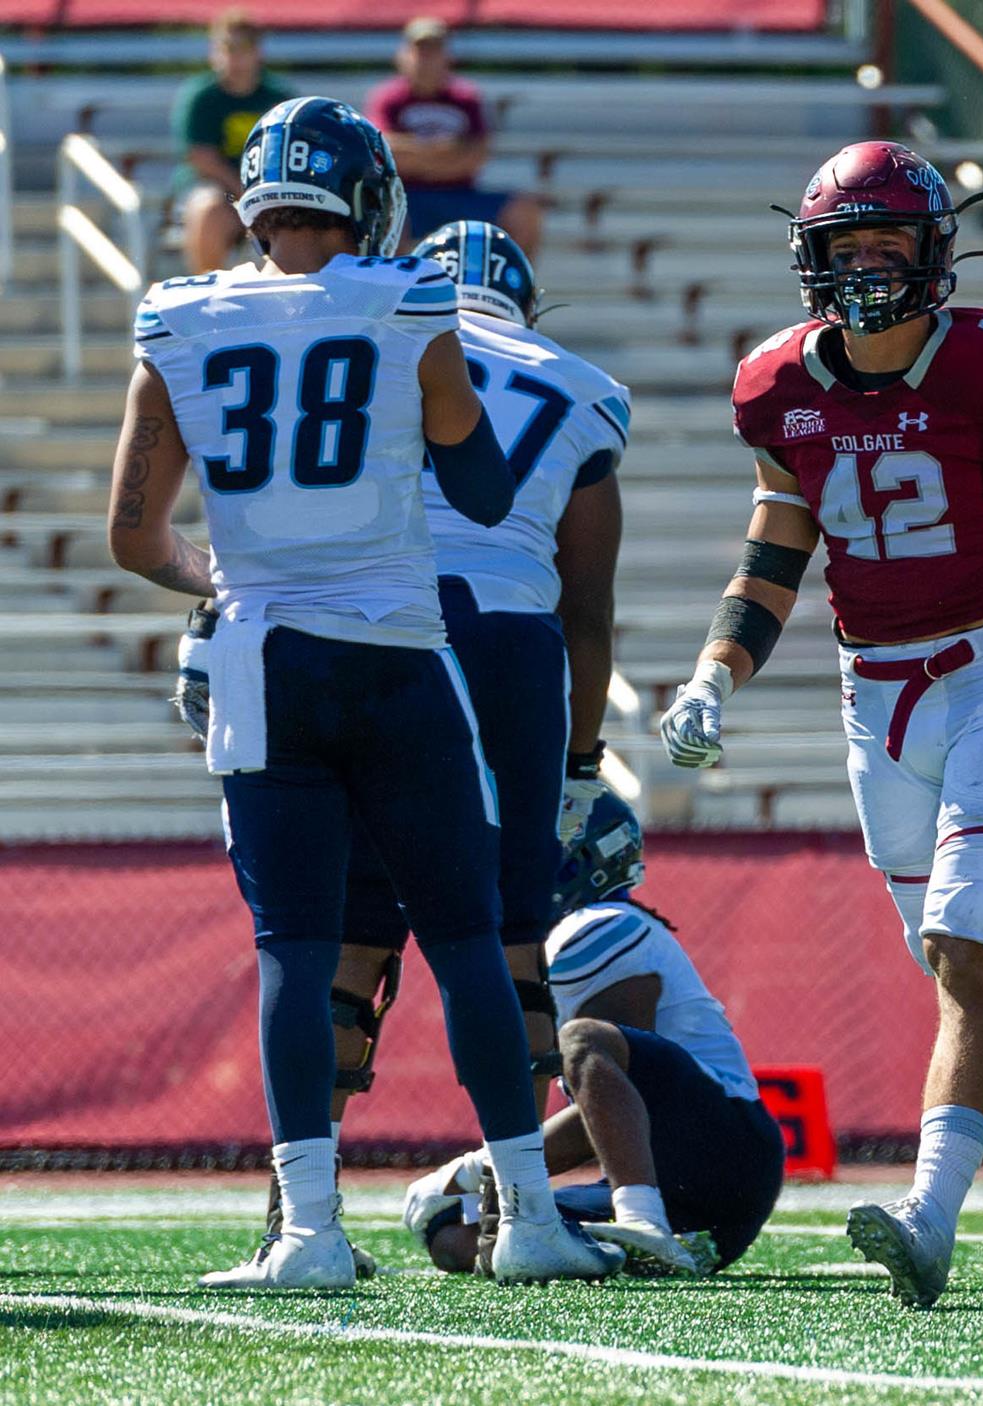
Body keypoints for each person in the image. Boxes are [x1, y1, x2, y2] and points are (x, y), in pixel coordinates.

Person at [110, 97, 619, 1290]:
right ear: (371, 199)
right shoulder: (405, 301)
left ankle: (306, 1233)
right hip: (396, 652)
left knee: (295, 946)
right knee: (467, 938)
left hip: (261, 664)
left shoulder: (179, 317)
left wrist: (224, 572)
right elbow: (486, 491)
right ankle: (533, 1218)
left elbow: (136, 537)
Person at [652, 141, 983, 1307]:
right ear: (810, 262)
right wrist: (713, 676)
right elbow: (775, 552)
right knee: (963, 969)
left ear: (937, 256)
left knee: (969, 949)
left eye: (890, 244)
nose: (870, 267)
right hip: (872, 694)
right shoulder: (779, 384)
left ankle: (930, 1212)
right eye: (848, 247)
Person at [403, 791, 785, 1277]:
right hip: (683, 1191)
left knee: (582, 1039)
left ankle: (643, 1224)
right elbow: (606, 1113)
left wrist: (471, 1169)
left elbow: (618, 1098)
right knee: (462, 1238)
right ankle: (663, 1245)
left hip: (722, 1150)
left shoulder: (605, 924)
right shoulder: (569, 935)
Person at [366, 19, 544, 256]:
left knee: (524, 211)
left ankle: (514, 290)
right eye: (420, 51)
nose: (426, 60)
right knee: (387, 217)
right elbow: (386, 151)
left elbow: (477, 155)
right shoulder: (388, 97)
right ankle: (399, 290)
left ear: (447, 57)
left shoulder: (466, 97)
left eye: (434, 51)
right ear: (404, 55)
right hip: (407, 197)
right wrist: (445, 151)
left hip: (461, 195)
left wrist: (417, 156)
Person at [170, 9, 293, 273]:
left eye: (242, 47)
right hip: (222, 192)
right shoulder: (201, 97)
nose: (233, 55)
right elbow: (202, 158)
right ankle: (209, 296)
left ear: (258, 51)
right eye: (225, 47)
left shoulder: (278, 97)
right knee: (209, 209)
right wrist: (243, 193)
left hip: (266, 192)